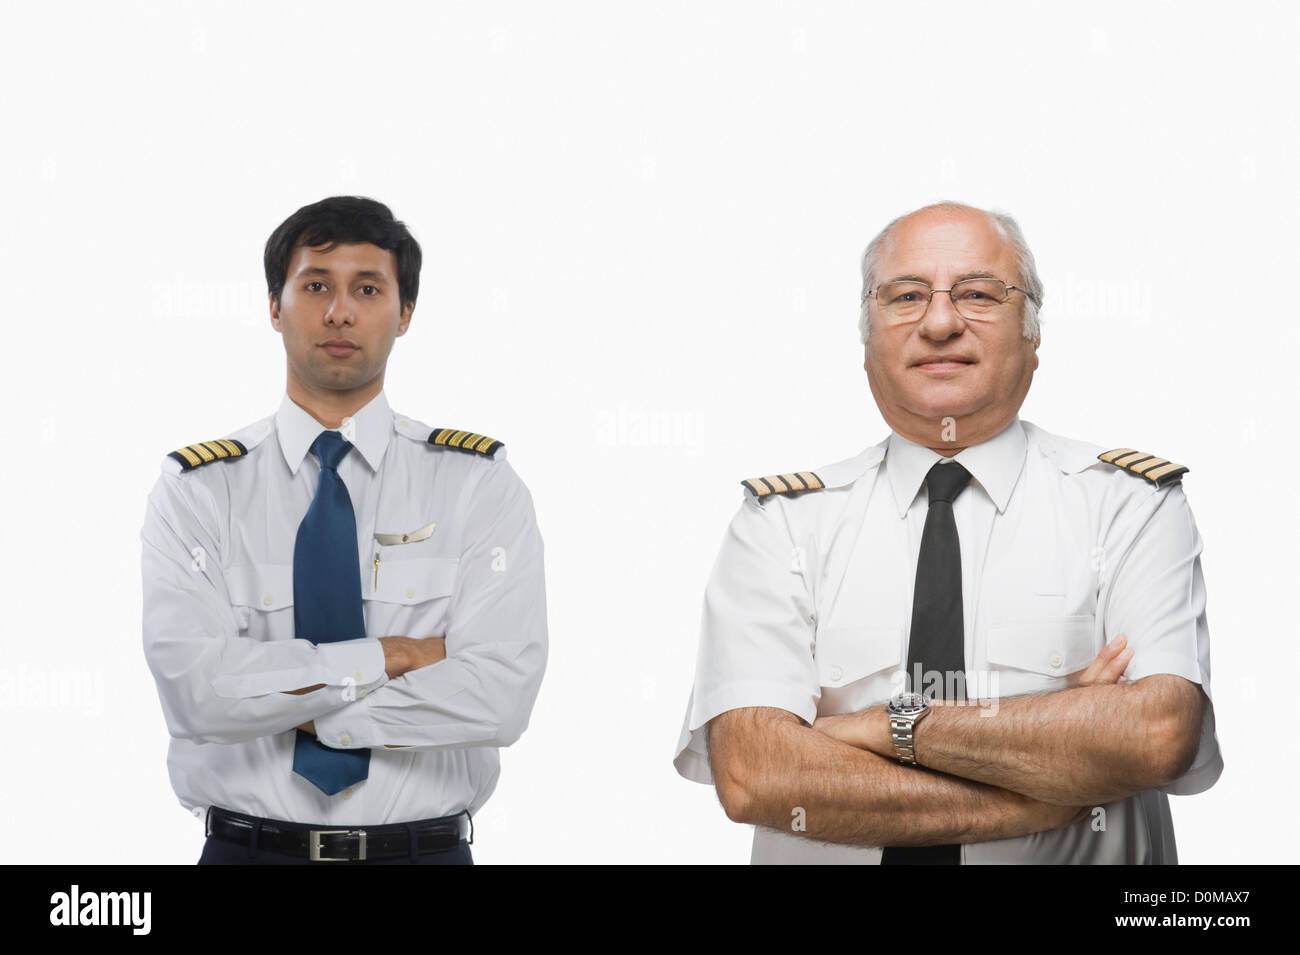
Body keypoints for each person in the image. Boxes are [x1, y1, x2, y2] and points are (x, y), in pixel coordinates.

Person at [673, 201, 1221, 864]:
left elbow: (1157, 733)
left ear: (1033, 331)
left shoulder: (1129, 507)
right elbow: (755, 773)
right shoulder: (781, 523)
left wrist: (877, 727)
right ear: (867, 338)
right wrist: (1045, 772)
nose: (939, 322)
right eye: (905, 296)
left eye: (979, 294)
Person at [141, 196, 548, 864]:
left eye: (367, 288)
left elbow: (500, 698)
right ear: (274, 306)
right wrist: (390, 654)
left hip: (424, 853)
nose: (339, 312)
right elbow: (197, 692)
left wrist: (278, 695)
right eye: (315, 286)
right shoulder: (198, 491)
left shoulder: (478, 485)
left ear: (405, 313)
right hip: (248, 852)